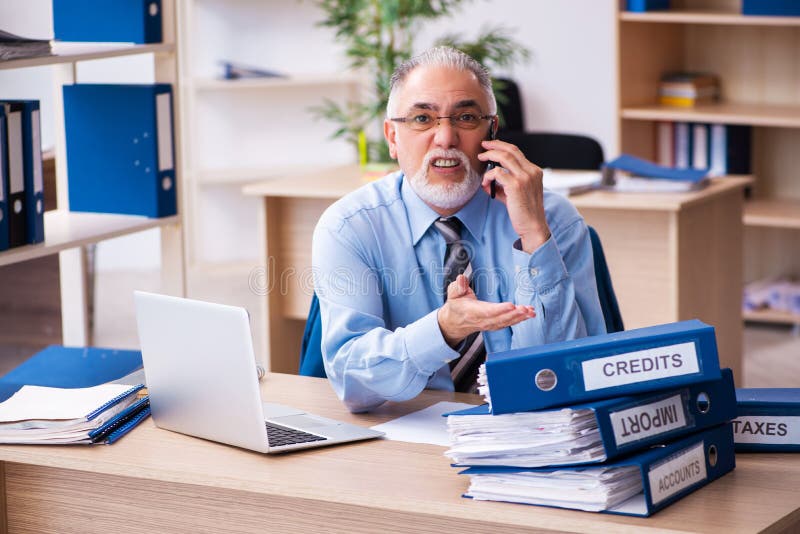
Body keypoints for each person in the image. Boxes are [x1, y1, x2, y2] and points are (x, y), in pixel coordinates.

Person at [312, 46, 605, 413]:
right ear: (392, 137)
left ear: (492, 131)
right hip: (405, 435)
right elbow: (353, 383)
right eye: (422, 118)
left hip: (531, 433)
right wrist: (443, 330)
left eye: (465, 117)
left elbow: (576, 374)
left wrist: (534, 236)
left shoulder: (553, 219)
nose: (446, 138)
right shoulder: (350, 226)